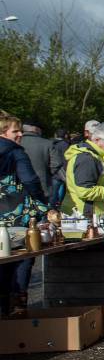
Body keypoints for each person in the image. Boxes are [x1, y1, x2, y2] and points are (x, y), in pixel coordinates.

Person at [0, 115, 50, 316]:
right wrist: (42, 204)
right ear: (3, 133)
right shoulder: (15, 152)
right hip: (16, 214)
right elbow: (30, 180)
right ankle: (17, 305)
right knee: (23, 257)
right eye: (15, 131)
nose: (21, 134)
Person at [63, 122, 104, 221]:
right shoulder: (87, 158)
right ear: (97, 140)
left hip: (90, 213)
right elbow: (84, 191)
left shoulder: (98, 156)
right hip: (83, 216)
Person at [19, 123, 58, 207]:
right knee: (41, 215)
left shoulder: (16, 142)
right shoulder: (47, 143)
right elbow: (56, 164)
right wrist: (46, 173)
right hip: (42, 187)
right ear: (36, 129)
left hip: (18, 187)